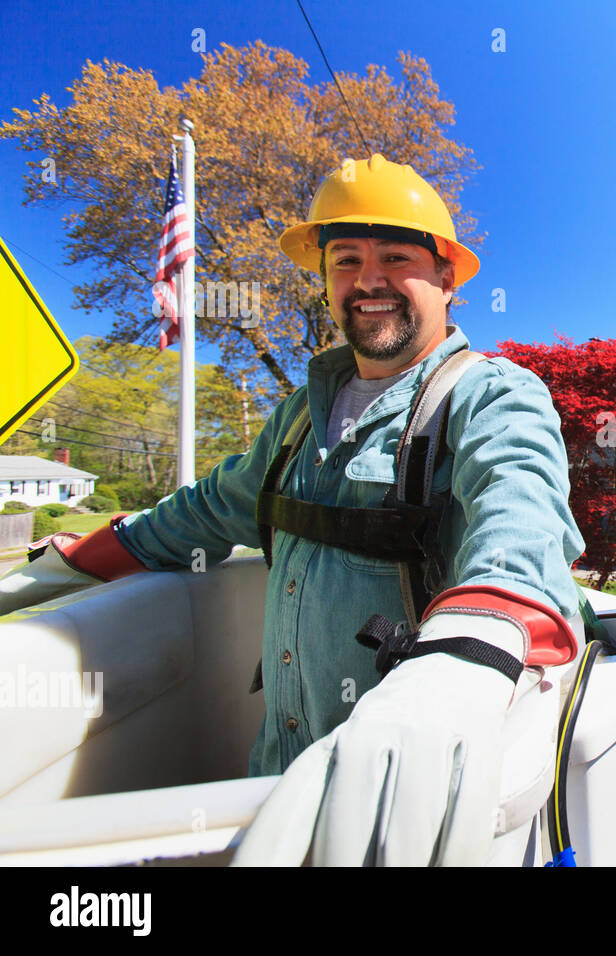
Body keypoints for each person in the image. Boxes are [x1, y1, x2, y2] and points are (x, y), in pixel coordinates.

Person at [0, 154, 586, 864]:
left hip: (404, 805)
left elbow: (521, 530)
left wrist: (457, 668)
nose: (369, 279)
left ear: (446, 277)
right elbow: (202, 515)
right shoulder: (298, 419)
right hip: (272, 789)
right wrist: (60, 566)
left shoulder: (493, 397)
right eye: (346, 261)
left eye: (396, 256)